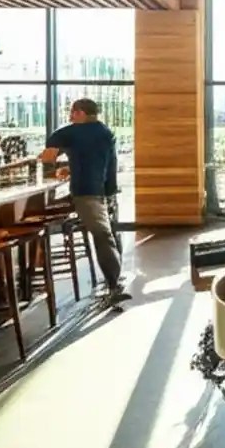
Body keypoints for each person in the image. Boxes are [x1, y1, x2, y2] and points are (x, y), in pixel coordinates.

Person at [40, 99, 129, 305]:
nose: (70, 117)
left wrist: (53, 170)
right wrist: (72, 168)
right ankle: (115, 279)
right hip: (107, 190)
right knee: (109, 233)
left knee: (102, 235)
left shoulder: (68, 133)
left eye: (72, 112)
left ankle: (114, 286)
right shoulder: (105, 132)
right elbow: (96, 160)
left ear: (80, 113)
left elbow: (47, 159)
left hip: (86, 191)